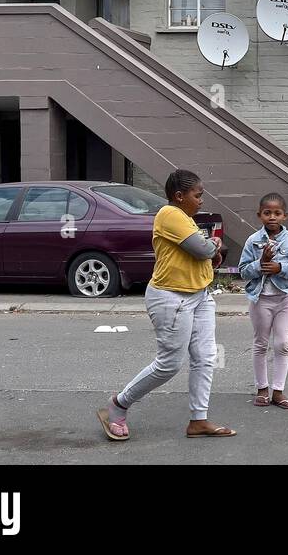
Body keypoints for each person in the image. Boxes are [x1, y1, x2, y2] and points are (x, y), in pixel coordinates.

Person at [98, 169, 234, 441]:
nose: (201, 201)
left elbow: (205, 255)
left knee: (205, 359)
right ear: (179, 196)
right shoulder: (169, 214)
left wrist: (212, 248)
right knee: (169, 364)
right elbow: (204, 250)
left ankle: (199, 420)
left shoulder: (186, 218)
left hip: (200, 295)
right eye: (198, 195)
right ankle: (118, 404)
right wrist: (214, 244)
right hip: (172, 297)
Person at [239, 192, 288, 411]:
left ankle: (278, 391)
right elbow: (242, 271)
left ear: (285, 216)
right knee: (261, 344)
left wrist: (281, 268)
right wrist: (261, 264)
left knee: (282, 344)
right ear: (259, 215)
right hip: (260, 300)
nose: (272, 217)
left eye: (277, 213)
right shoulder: (253, 240)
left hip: (283, 299)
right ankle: (262, 388)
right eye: (267, 213)